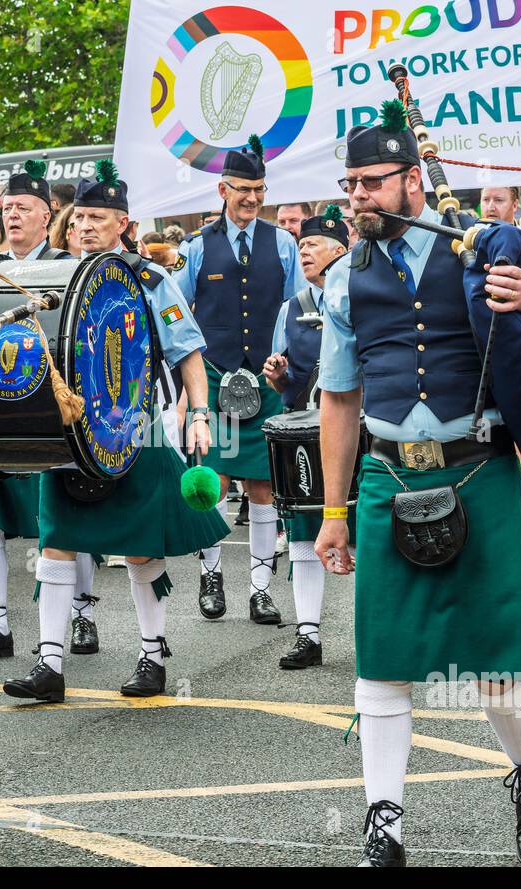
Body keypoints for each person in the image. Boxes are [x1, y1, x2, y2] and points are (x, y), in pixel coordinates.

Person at [314, 105, 521, 867]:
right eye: (349, 186)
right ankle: (384, 822)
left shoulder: (488, 247)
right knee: (385, 657)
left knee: (495, 668)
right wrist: (334, 511)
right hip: (387, 475)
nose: (357, 199)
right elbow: (339, 399)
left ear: (412, 180)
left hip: (481, 469)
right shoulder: (342, 278)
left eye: (371, 184)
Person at [1, 160, 227, 702]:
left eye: (98, 217)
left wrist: (198, 414)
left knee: (141, 552)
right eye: (79, 217)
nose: (84, 226)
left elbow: (188, 351)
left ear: (123, 223)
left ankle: (153, 656)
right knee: (56, 544)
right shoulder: (52, 278)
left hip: (134, 430)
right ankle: (50, 665)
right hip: (71, 434)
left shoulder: (149, 278)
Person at [177, 135, 308, 625]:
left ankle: (259, 587)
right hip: (213, 377)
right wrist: (187, 391)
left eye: (259, 189)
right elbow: (178, 320)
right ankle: (211, 576)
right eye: (242, 190)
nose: (252, 199)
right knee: (212, 484)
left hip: (267, 379)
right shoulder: (195, 248)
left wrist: (289, 369)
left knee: (263, 487)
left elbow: (297, 311)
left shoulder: (285, 243)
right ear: (222, 190)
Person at [0, 164, 76, 661]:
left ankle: (82, 614)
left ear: (47, 215)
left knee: (66, 522)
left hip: (54, 414)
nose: (12, 216)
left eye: (23, 208)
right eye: (6, 209)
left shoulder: (71, 267)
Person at [261, 205, 349, 670]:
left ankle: (378, 631)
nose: (304, 253)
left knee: (366, 530)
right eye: (300, 247)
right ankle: (308, 634)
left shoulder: (361, 296)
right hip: (302, 430)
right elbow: (283, 376)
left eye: (311, 245)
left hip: (358, 430)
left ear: (339, 251)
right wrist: (276, 374)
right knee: (300, 532)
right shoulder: (291, 308)